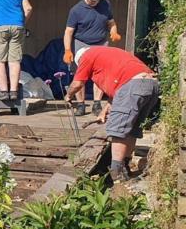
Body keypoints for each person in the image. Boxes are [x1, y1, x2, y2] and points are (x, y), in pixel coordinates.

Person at [65, 46, 159, 182]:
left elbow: (78, 83)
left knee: (117, 130)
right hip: (150, 84)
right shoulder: (107, 54)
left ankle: (117, 173)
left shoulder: (87, 56)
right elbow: (119, 89)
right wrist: (104, 111)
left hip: (133, 85)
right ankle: (125, 167)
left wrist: (68, 96)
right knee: (131, 129)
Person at [63, 0, 122, 116]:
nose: (95, 1)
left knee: (100, 74)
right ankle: (81, 105)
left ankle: (97, 104)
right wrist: (68, 50)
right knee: (80, 74)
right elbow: (68, 32)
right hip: (82, 43)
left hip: (101, 43)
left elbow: (111, 22)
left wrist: (114, 31)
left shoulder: (105, 4)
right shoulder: (76, 10)